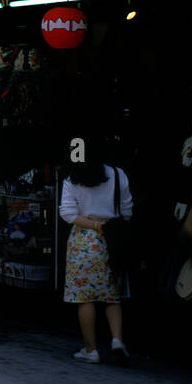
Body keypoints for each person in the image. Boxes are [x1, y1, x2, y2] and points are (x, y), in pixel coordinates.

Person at [59, 146, 133, 365]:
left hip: (83, 240)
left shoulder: (72, 179)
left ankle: (91, 350)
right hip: (113, 239)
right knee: (112, 295)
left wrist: (95, 225)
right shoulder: (118, 174)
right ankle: (117, 342)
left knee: (85, 298)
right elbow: (128, 210)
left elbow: (68, 213)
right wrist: (108, 225)